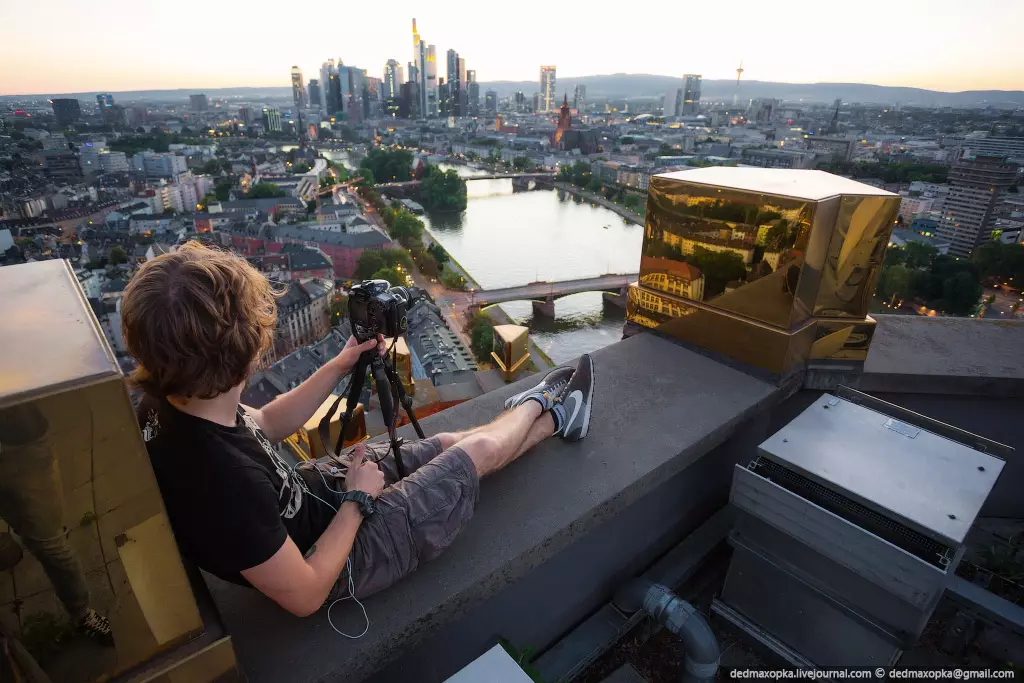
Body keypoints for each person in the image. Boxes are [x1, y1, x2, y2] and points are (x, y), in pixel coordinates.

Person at [121, 242, 595, 617]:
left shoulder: (174, 400)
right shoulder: (222, 485)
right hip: (347, 556)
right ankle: (546, 409)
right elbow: (305, 593)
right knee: (477, 452)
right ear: (245, 348)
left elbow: (265, 423)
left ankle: (536, 418)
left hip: (327, 498)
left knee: (449, 443)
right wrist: (357, 499)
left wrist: (342, 361)